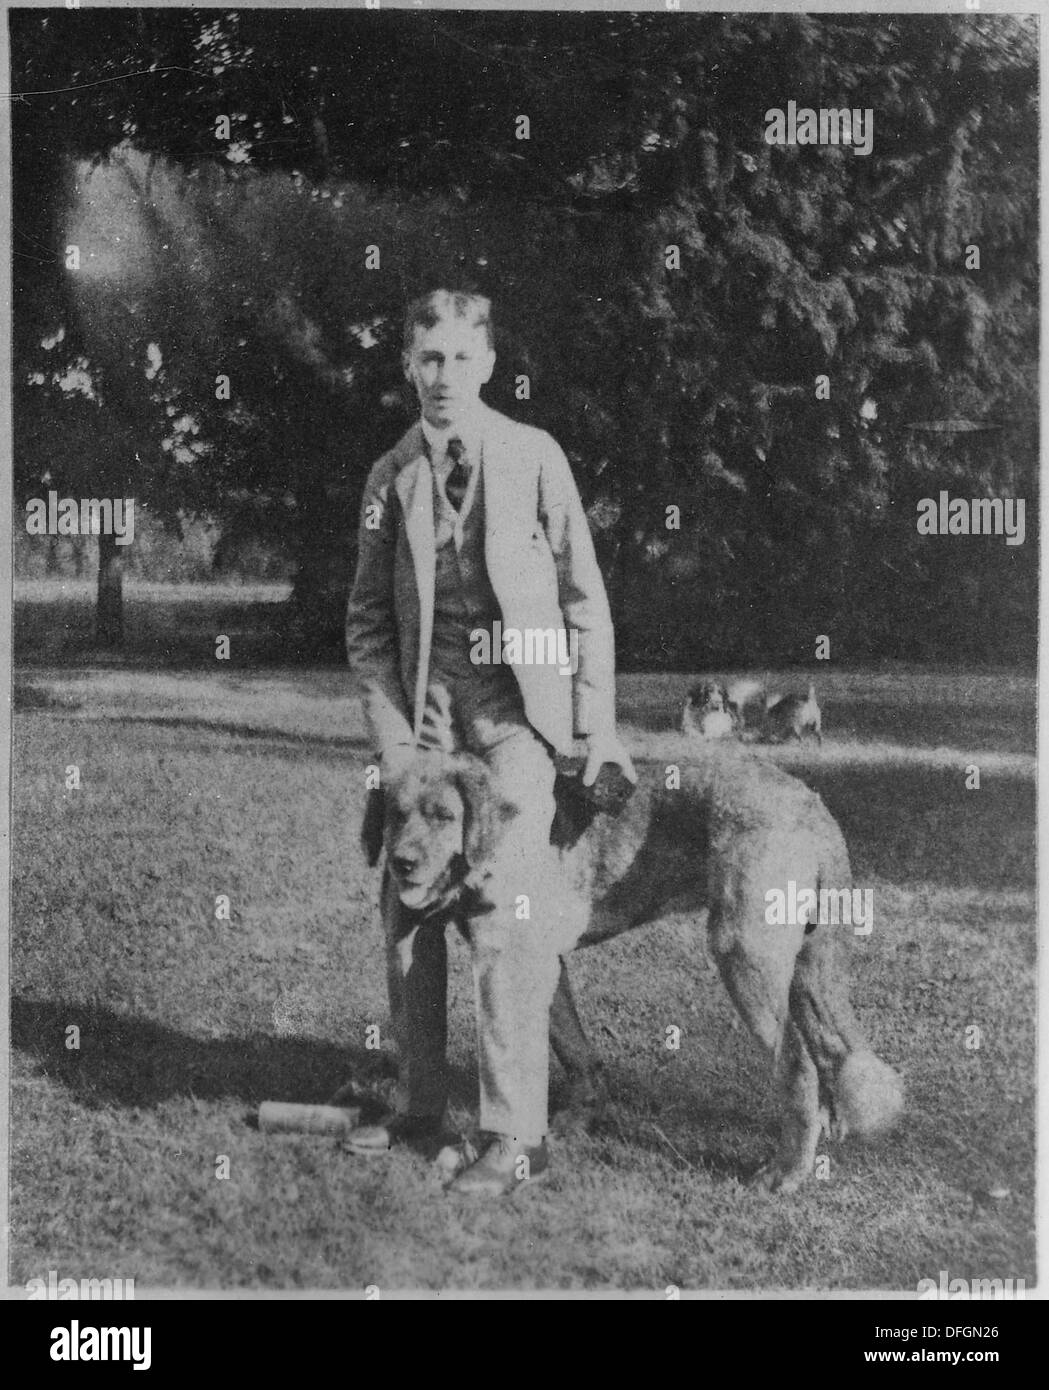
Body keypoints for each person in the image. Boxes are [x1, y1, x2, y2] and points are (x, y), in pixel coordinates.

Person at [344, 288, 634, 1198]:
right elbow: (366, 627)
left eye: (461, 360)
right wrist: (394, 749)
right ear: (406, 366)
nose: (443, 377)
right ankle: (421, 1104)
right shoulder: (389, 479)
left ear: (488, 366)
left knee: (504, 914)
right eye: (427, 359)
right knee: (406, 910)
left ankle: (515, 1136)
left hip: (517, 723)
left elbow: (583, 600)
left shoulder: (534, 456)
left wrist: (589, 729)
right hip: (425, 729)